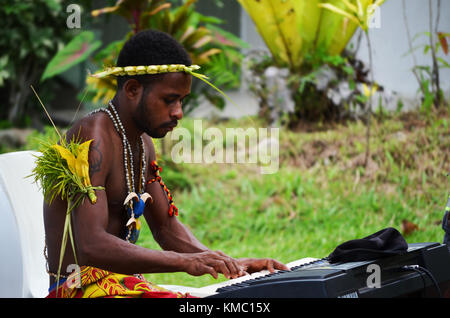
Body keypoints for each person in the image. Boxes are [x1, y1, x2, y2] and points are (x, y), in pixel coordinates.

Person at [44, 29, 288, 298]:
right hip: (76, 289)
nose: (178, 112)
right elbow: (91, 245)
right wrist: (185, 262)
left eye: (181, 100)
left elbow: (165, 227)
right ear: (133, 89)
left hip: (122, 286)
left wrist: (227, 263)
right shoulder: (93, 137)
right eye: (169, 100)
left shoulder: (142, 142)